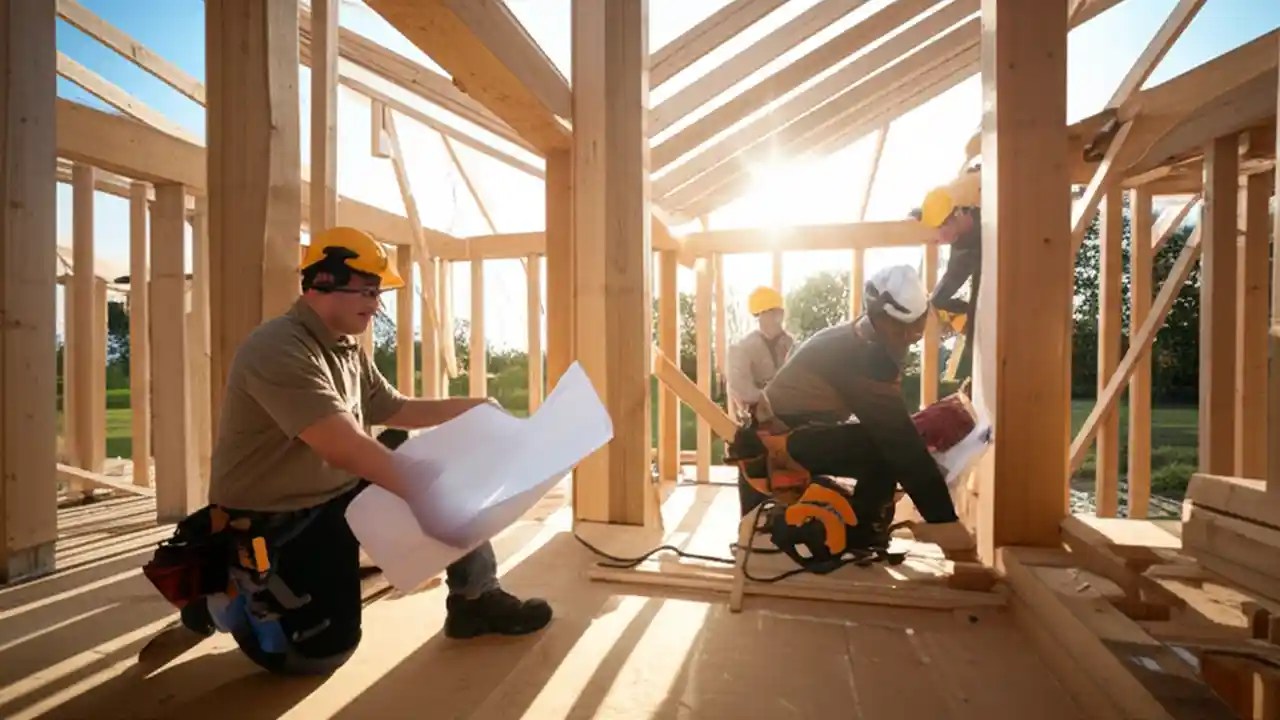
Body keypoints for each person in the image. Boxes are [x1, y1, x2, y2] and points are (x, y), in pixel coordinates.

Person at [182, 226, 552, 676]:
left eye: (378, 293)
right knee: (318, 654)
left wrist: (471, 407)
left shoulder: (345, 348)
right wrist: (427, 494)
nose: (376, 305)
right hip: (274, 514)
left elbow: (392, 407)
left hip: (330, 491)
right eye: (367, 291)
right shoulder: (278, 347)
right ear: (322, 284)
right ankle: (218, 596)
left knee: (441, 470)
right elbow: (343, 447)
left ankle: (475, 600)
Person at [745, 265, 959, 546]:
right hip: (775, 447)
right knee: (886, 446)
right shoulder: (862, 355)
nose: (906, 341)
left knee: (885, 442)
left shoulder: (855, 339)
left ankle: (865, 527)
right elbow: (898, 440)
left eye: (914, 334)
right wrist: (946, 524)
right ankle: (862, 531)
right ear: (880, 318)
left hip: (786, 435)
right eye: (900, 331)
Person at [914, 168, 981, 380]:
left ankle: (976, 321)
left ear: (959, 213)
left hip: (993, 252)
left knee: (982, 306)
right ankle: (972, 324)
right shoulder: (958, 238)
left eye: (943, 226)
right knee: (937, 300)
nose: (940, 237)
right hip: (967, 249)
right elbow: (925, 214)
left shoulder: (990, 215)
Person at [725, 286, 794, 420]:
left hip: (792, 419)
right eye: (775, 313)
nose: (779, 318)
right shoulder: (741, 350)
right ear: (762, 315)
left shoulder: (790, 344)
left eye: (781, 313)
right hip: (758, 423)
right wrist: (773, 399)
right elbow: (741, 390)